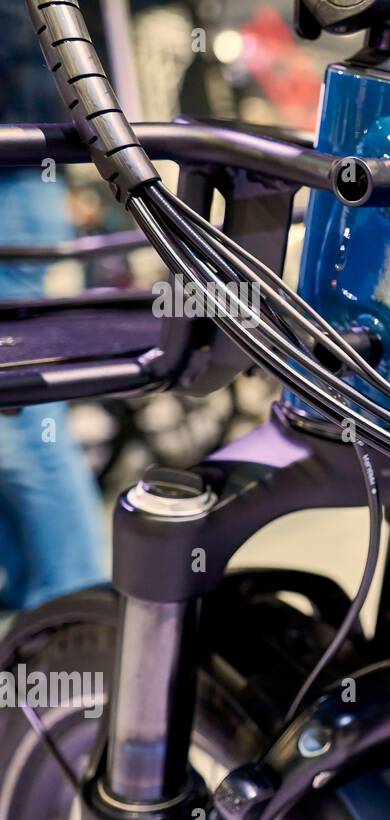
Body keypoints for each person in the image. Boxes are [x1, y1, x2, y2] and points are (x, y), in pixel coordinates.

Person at [0, 5, 108, 611]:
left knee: (23, 428)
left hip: (12, 180)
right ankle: (39, 616)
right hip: (19, 179)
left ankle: (77, 617)